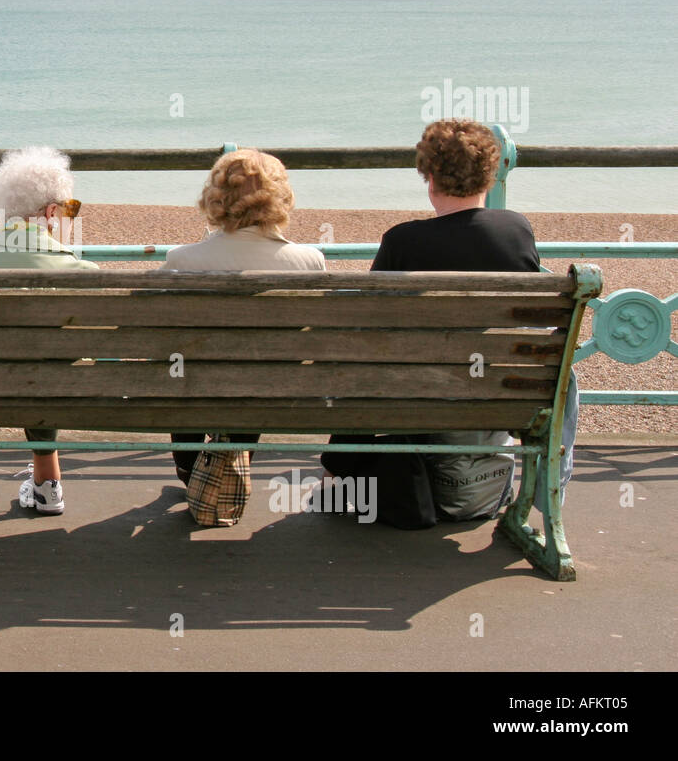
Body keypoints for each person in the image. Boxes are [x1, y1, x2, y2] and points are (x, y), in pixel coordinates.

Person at [319, 118, 576, 526]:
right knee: (564, 374)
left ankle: (345, 476)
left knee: (370, 365)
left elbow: (366, 325)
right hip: (503, 392)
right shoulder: (516, 230)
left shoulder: (402, 240)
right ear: (490, 177)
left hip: (423, 394)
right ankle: (550, 493)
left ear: (430, 177)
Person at [163, 149, 326, 484]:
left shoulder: (183, 260)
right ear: (281, 199)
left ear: (216, 198)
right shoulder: (309, 262)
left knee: (180, 362)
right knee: (261, 371)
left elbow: (150, 326)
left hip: (193, 388)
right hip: (272, 390)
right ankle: (236, 456)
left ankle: (188, 464)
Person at [0, 147, 98, 517]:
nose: (69, 216)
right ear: (51, 212)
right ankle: (48, 488)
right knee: (44, 370)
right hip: (48, 391)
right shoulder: (81, 272)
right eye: (70, 209)